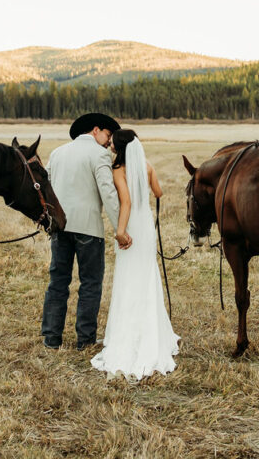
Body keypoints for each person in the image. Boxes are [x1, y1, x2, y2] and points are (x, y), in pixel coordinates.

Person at [91, 129, 180, 381]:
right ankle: (152, 334)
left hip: (130, 225)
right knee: (146, 275)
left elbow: (126, 203)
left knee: (129, 278)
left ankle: (128, 334)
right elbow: (159, 193)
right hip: (146, 226)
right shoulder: (148, 166)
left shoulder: (119, 169)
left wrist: (120, 231)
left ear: (119, 148)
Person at [41, 112, 131, 350]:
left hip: (60, 227)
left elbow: (45, 187)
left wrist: (49, 219)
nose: (108, 141)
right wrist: (121, 228)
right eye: (107, 134)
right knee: (90, 283)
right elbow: (108, 193)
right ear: (95, 130)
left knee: (57, 282)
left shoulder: (57, 153)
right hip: (89, 228)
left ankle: (51, 338)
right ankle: (85, 339)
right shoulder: (99, 154)